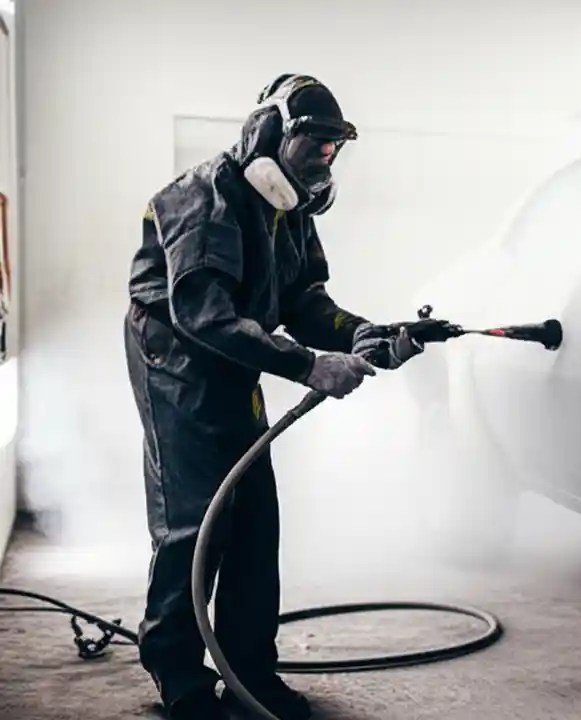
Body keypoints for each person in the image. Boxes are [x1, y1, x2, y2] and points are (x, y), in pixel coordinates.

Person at [123, 74, 456, 720]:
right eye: (314, 146)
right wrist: (308, 366)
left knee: (254, 516)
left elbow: (304, 300)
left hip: (238, 358)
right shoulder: (201, 199)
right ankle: (178, 673)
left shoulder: (290, 205)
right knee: (195, 520)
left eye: (333, 150)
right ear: (268, 135)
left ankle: (249, 670)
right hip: (178, 363)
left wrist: (361, 334)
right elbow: (204, 316)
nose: (324, 163)